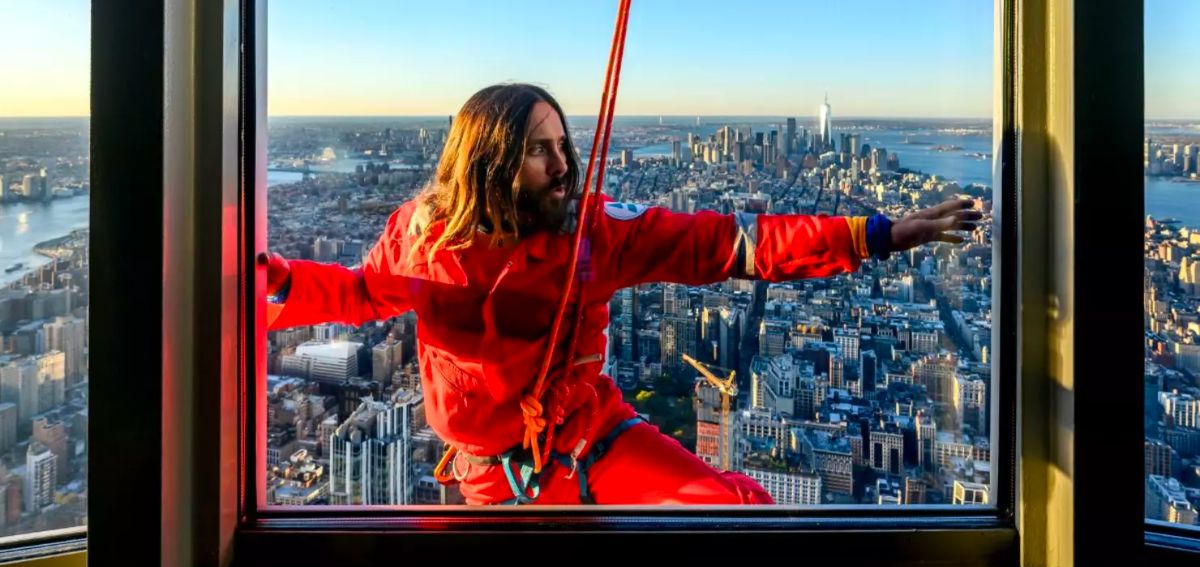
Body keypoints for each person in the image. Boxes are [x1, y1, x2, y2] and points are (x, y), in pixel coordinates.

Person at [261, 83, 981, 506]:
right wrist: (269, 286)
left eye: (562, 144)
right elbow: (362, 293)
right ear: (488, 160)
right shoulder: (425, 234)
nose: (564, 163)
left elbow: (730, 244)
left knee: (736, 515)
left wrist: (877, 232)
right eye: (538, 149)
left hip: (587, 441)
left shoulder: (592, 234)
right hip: (485, 479)